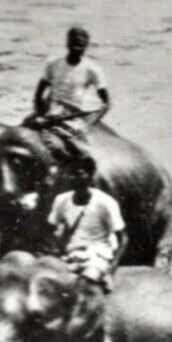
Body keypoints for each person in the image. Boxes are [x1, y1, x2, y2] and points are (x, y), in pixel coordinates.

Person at [30, 26, 111, 166]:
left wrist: (88, 123)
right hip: (49, 114)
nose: (76, 47)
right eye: (73, 43)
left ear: (86, 46)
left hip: (72, 118)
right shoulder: (53, 64)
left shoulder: (93, 69)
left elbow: (106, 103)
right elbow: (39, 94)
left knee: (74, 152)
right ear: (67, 43)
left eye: (80, 44)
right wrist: (39, 115)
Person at [48, 157, 125, 288]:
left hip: (96, 257)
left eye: (79, 173)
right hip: (69, 256)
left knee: (85, 286)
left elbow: (123, 238)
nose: (73, 178)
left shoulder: (105, 203)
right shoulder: (61, 200)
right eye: (70, 174)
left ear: (90, 175)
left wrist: (111, 270)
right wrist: (54, 249)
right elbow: (50, 229)